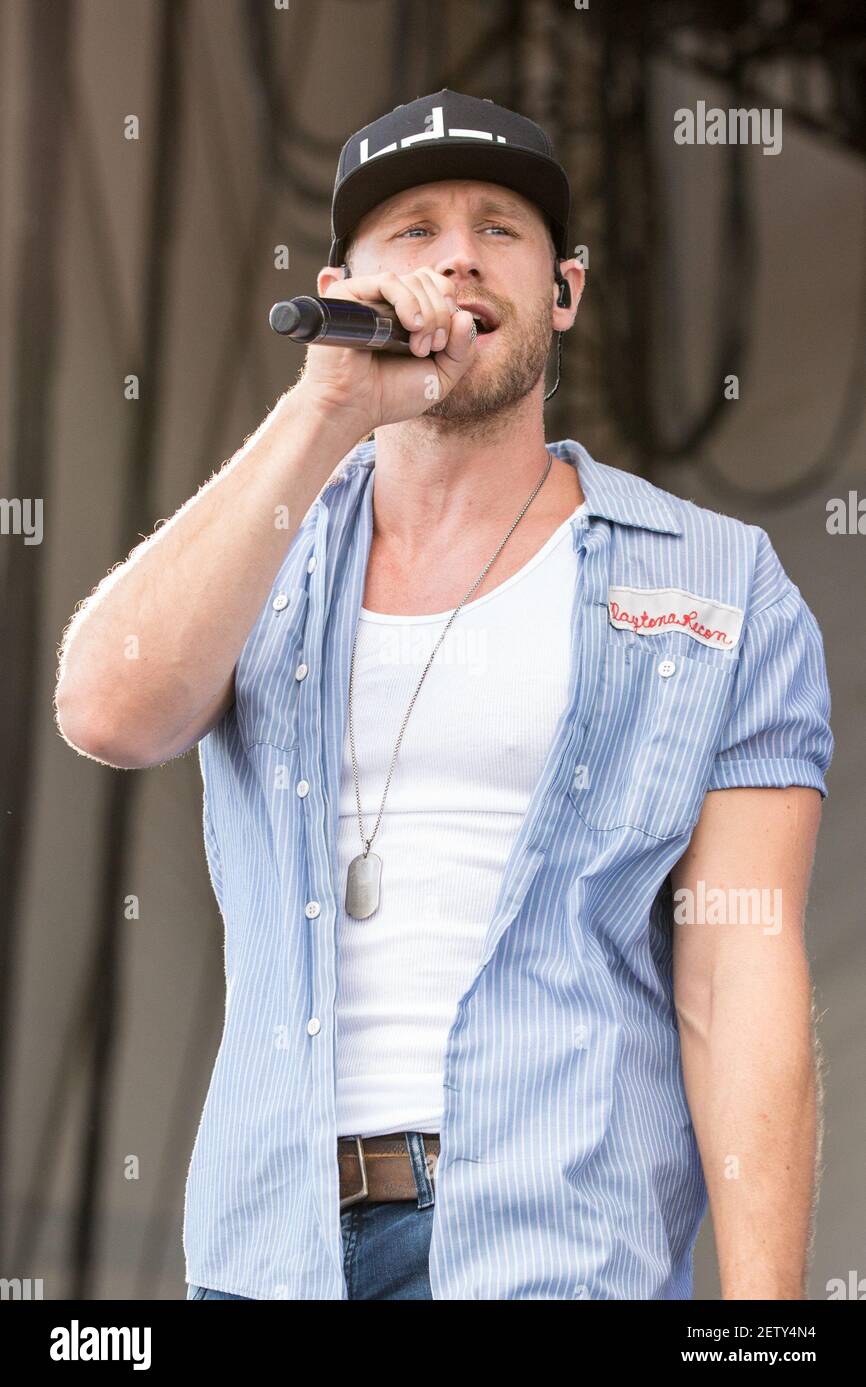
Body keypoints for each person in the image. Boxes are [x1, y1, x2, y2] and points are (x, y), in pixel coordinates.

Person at [55, 89, 834, 1300]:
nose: (455, 252)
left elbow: (737, 980)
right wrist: (327, 406)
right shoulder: (264, 550)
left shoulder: (718, 584)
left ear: (563, 290)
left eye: (497, 227)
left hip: (558, 1252)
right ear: (344, 284)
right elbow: (107, 711)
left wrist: (766, 1319)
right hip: (275, 1252)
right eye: (411, 230)